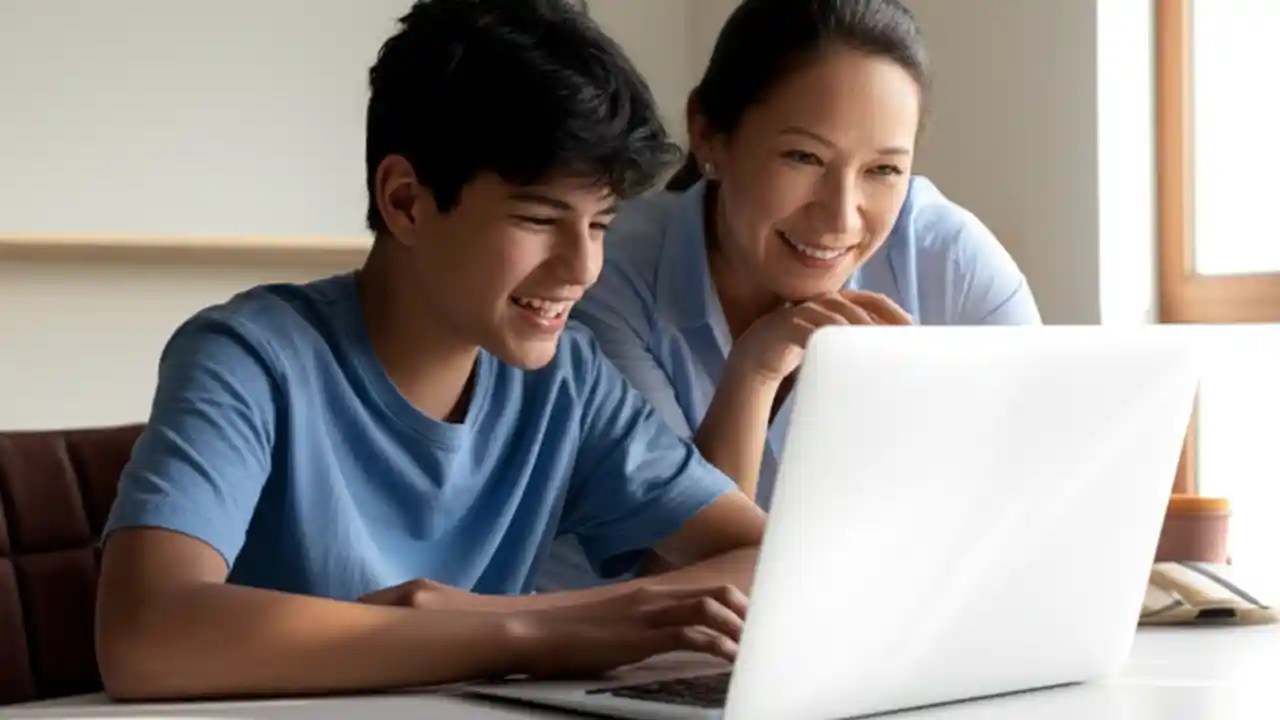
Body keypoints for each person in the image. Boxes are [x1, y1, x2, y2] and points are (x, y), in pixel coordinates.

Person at [95, 0, 765, 701]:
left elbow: (774, 562)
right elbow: (148, 636)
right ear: (407, 201)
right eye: (539, 218)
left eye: (599, 223)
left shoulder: (569, 379)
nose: (581, 267)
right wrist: (529, 633)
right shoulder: (249, 357)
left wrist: (503, 619)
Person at [538, 0, 1040, 589]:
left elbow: (1042, 490)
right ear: (708, 132)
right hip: (606, 661)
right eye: (804, 157)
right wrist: (753, 372)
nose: (840, 216)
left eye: (883, 170)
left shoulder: (945, 259)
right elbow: (680, 582)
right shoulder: (604, 270)